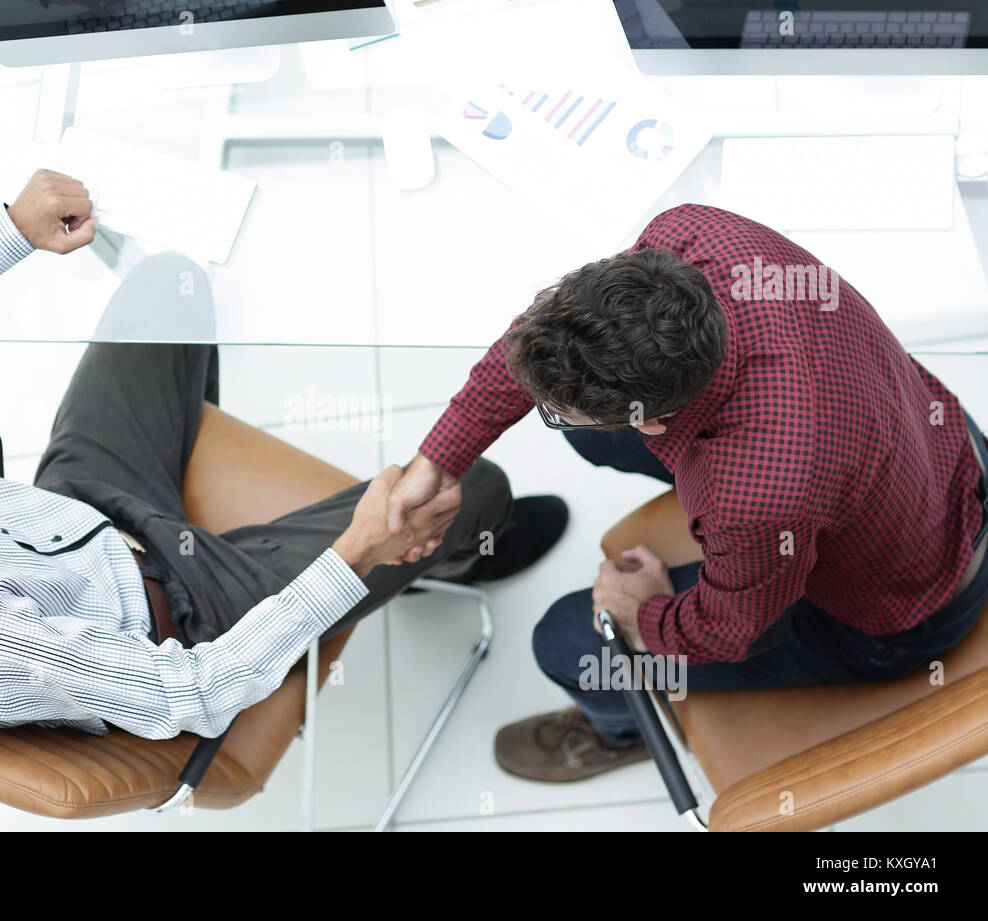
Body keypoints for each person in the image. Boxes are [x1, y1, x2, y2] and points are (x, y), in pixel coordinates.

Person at [0, 169, 568, 741]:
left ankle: (212, 466)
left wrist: (4, 230)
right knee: (472, 486)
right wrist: (354, 557)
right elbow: (189, 693)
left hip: (79, 520)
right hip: (181, 616)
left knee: (170, 288)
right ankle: (457, 556)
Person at [386, 203, 988, 782]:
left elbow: (737, 630)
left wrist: (647, 617)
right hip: (942, 444)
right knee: (591, 440)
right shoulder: (695, 236)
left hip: (909, 605)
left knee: (569, 642)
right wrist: (441, 457)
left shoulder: (752, 494)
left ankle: (622, 734)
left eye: (553, 411)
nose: (542, 411)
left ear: (650, 421)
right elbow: (551, 335)